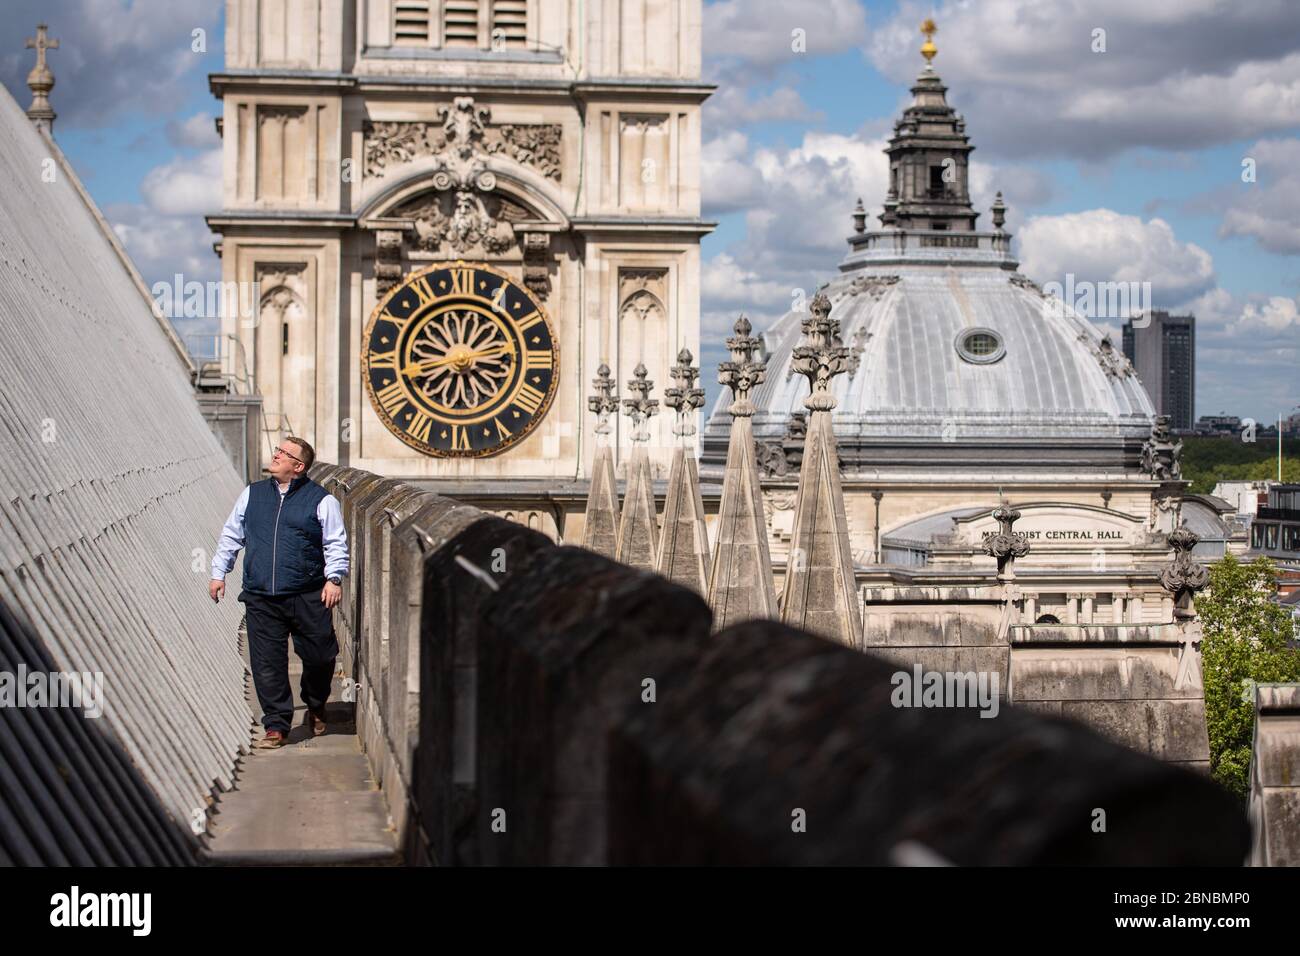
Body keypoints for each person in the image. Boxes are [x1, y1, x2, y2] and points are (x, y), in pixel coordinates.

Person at [209, 437, 349, 749]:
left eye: (284, 454)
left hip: (307, 594)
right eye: (278, 450)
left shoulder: (322, 501)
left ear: (298, 466)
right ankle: (276, 725)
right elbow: (232, 534)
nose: (276, 455)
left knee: (321, 656)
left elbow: (335, 543)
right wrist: (219, 573)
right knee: (266, 663)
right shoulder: (252, 495)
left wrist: (334, 579)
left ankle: (315, 703)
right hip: (261, 595)